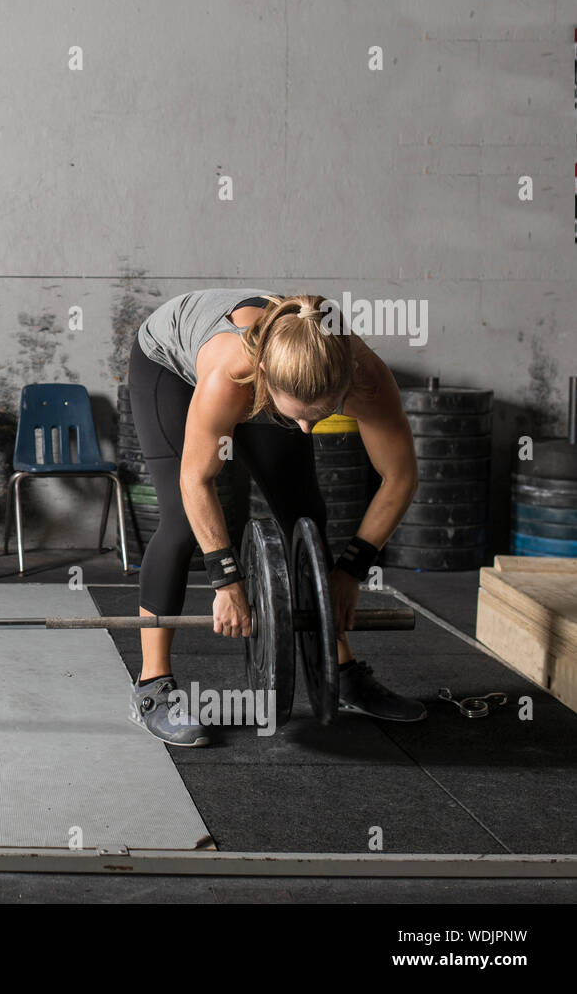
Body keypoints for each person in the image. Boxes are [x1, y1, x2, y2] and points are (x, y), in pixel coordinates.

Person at [126, 289, 425, 745]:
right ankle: (151, 687)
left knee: (304, 516)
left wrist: (348, 573)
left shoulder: (364, 376)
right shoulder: (232, 371)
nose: (307, 430)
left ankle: (340, 670)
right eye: (300, 417)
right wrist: (227, 581)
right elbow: (196, 482)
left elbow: (400, 476)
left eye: (320, 415)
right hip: (168, 365)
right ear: (264, 377)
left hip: (276, 380)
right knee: (182, 523)